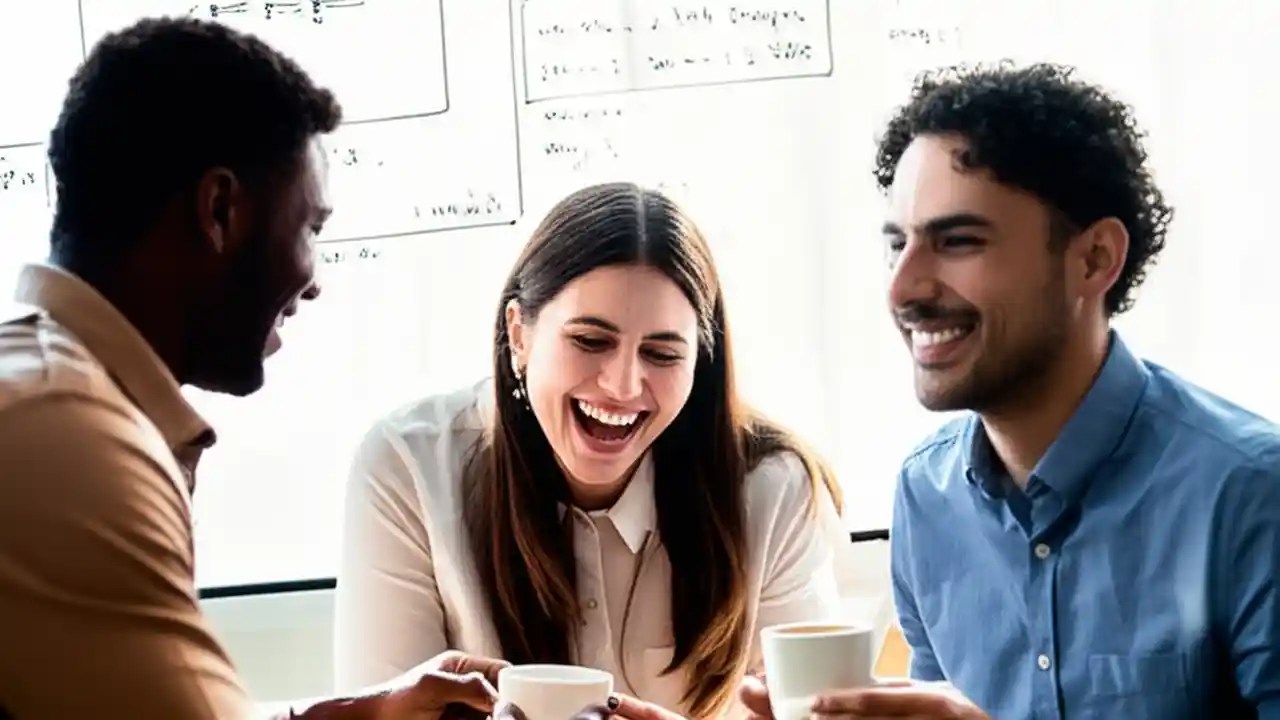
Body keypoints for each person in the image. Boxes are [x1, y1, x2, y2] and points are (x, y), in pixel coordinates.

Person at [0, 16, 515, 720]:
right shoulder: (68, 437)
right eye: (310, 228)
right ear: (219, 210)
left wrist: (361, 713)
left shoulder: (45, 388)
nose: (313, 280)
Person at [742, 61, 1280, 718]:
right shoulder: (925, 494)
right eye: (897, 246)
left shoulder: (1252, 493)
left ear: (1094, 259)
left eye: (958, 240)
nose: (902, 287)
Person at [335, 182, 854, 719]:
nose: (624, 385)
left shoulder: (771, 487)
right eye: (590, 341)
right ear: (519, 334)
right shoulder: (407, 468)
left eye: (661, 353)